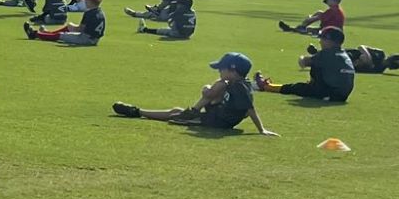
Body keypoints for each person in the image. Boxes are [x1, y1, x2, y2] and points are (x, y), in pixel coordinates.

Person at [111, 53, 276, 136]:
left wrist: (262, 130)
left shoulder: (240, 87)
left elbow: (249, 109)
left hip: (217, 121)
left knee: (174, 112)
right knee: (212, 89)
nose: (219, 71)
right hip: (219, 115)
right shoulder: (235, 83)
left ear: (233, 70)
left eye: (221, 69)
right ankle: (190, 112)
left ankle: (138, 112)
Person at [254, 26, 356, 102]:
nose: (320, 42)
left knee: (296, 88)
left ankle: (266, 86)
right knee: (315, 71)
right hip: (342, 95)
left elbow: (303, 62)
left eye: (322, 39)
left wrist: (305, 57)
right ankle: (313, 85)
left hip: (327, 93)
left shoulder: (326, 53)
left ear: (329, 40)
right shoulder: (343, 53)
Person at [25, 0, 106, 45]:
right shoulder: (100, 11)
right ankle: (47, 33)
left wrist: (72, 28)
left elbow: (80, 29)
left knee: (61, 35)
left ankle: (35, 34)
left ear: (91, 1)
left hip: (86, 39)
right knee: (68, 27)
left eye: (86, 0)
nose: (85, 2)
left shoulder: (89, 13)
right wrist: (70, 27)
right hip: (93, 38)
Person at [279, 0, 345, 35]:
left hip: (332, 32)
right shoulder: (335, 9)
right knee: (318, 13)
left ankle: (296, 28)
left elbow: (320, 17)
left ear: (333, 1)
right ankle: (300, 27)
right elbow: (321, 15)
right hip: (331, 30)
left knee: (309, 29)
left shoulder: (333, 10)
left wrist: (308, 19)